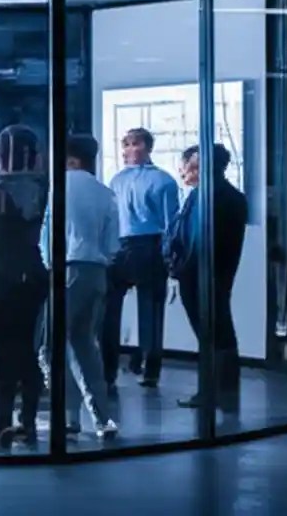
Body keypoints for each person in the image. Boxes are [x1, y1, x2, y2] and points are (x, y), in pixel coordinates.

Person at [0, 125, 50, 450]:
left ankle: (0, 424)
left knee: (4, 354)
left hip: (5, 275)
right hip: (35, 272)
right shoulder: (46, 189)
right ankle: (26, 423)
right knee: (27, 351)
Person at [167, 143, 247, 411]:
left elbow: (200, 242)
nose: (185, 170)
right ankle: (220, 393)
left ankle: (217, 393)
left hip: (204, 276)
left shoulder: (216, 197)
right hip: (205, 275)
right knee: (215, 334)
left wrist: (180, 266)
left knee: (214, 334)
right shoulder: (211, 195)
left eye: (190, 164)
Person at [104, 128, 179, 395]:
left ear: (147, 148)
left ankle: (147, 369)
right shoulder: (118, 180)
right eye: (125, 144)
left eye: (134, 144)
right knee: (113, 312)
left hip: (148, 245)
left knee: (149, 312)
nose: (127, 150)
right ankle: (112, 368)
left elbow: (171, 226)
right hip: (127, 247)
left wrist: (169, 258)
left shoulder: (163, 181)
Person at [62, 134, 120, 440]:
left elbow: (48, 237)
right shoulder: (106, 193)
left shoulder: (59, 188)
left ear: (71, 159)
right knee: (85, 345)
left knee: (51, 345)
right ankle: (101, 418)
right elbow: (113, 245)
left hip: (66, 270)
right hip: (97, 273)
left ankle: (67, 416)